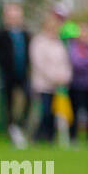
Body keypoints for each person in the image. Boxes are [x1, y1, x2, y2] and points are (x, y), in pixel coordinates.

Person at [0, 2, 31, 146]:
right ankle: (12, 129)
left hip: (23, 73)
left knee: (29, 97)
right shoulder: (1, 34)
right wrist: (4, 63)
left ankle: (20, 125)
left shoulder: (25, 34)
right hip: (8, 75)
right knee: (9, 104)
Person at [30, 10, 71, 144]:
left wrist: (65, 77)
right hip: (43, 84)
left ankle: (50, 137)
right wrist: (53, 77)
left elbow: (65, 62)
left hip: (59, 85)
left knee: (55, 112)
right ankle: (38, 136)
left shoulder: (59, 43)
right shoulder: (39, 42)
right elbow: (39, 63)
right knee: (45, 111)